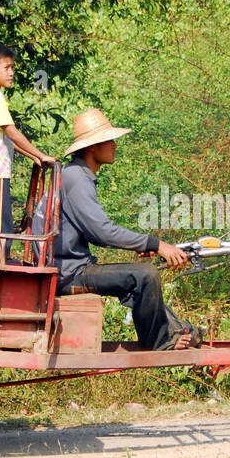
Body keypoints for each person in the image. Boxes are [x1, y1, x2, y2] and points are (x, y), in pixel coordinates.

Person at [54, 108, 203, 351]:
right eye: (109, 140)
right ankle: (161, 342)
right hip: (69, 274)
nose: (115, 145)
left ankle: (175, 329)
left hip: (71, 267)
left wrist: (144, 246)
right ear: (92, 147)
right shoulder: (76, 178)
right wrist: (156, 244)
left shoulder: (76, 175)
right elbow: (101, 232)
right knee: (145, 275)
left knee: (140, 276)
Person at [0, 42, 55, 265]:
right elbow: (12, 132)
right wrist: (42, 155)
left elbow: (4, 138)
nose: (11, 73)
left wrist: (33, 157)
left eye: (12, 68)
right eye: (6, 68)